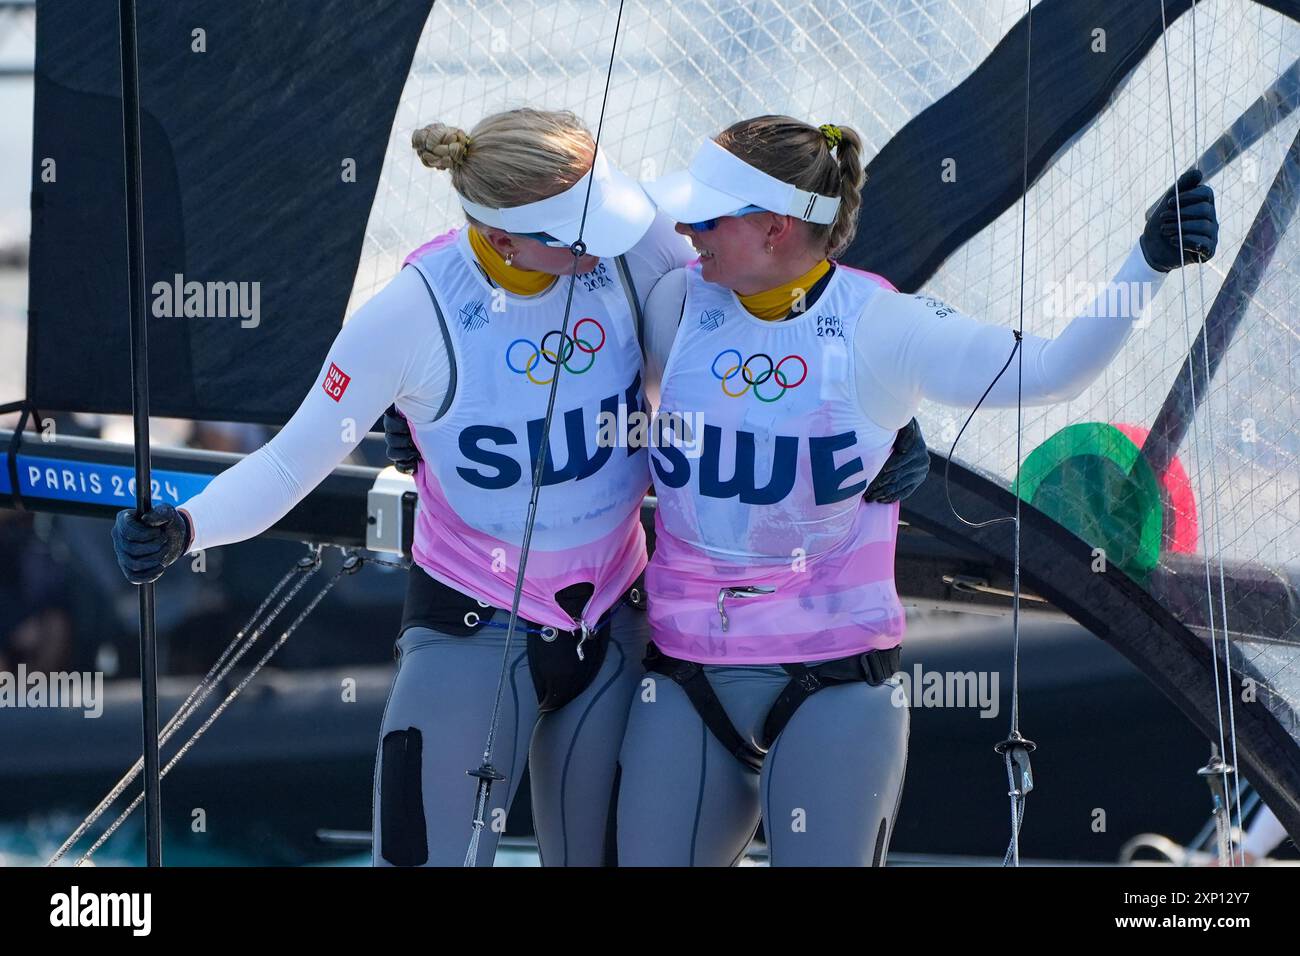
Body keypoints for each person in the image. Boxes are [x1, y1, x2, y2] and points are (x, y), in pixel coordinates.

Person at [615, 114, 1218, 866]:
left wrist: (1148, 261)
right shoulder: (674, 301)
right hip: (683, 671)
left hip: (832, 680)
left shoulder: (882, 328)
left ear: (772, 228)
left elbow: (1054, 371)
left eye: (705, 216)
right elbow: (558, 225)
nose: (684, 227)